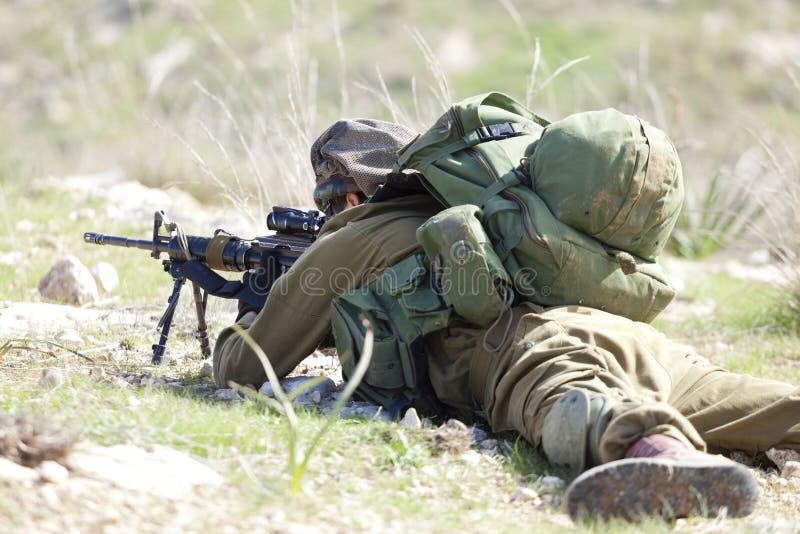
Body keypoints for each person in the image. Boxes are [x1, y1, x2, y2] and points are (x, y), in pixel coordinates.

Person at [213, 117, 799, 522]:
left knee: (579, 400)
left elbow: (243, 368)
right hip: (637, 342)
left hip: (532, 350)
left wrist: (254, 308)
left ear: (347, 194)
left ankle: (663, 457)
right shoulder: (505, 215)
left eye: (327, 202)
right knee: (757, 403)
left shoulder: (358, 235)